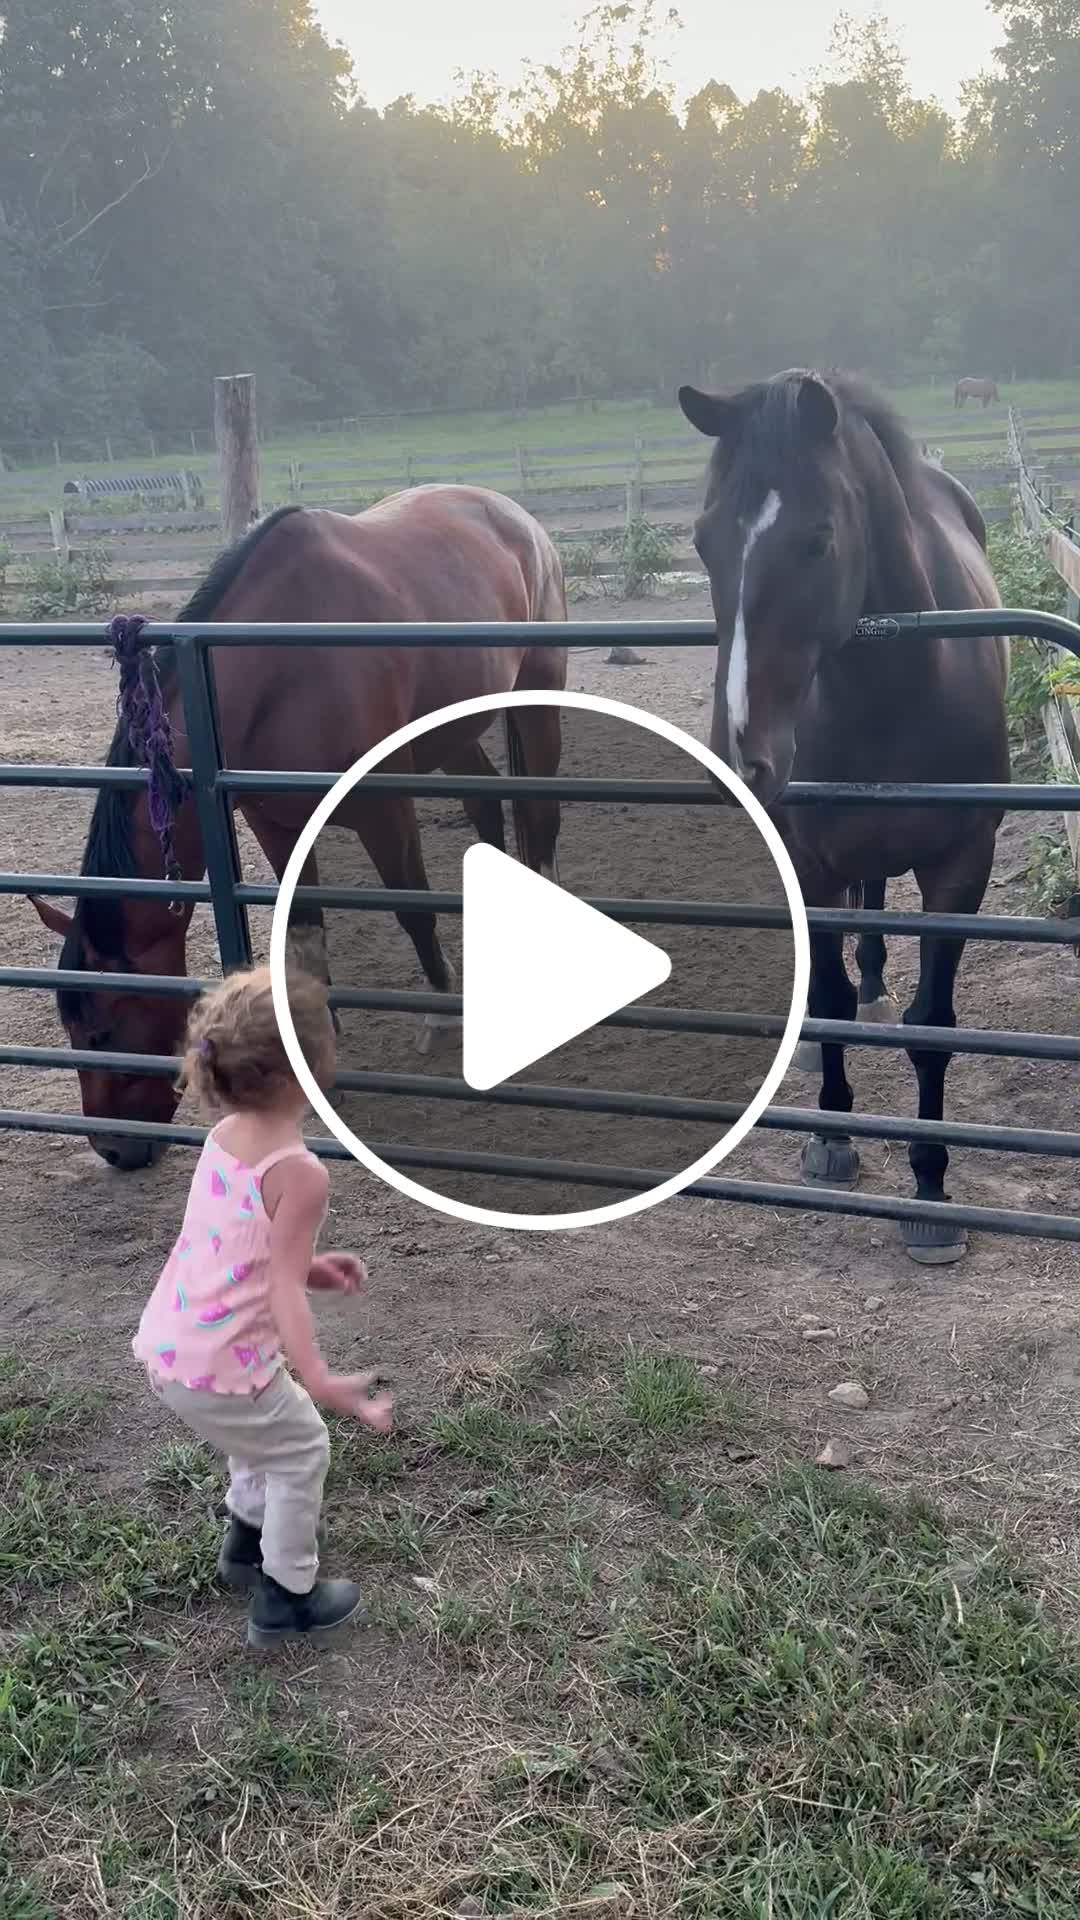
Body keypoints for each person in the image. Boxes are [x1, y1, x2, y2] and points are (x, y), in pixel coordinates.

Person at [133, 964, 393, 1648]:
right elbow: (277, 1292)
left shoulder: (224, 1140)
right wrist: (321, 1378)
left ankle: (245, 1546)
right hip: (227, 1364)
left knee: (257, 1439)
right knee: (300, 1446)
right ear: (309, 1067)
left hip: (173, 1351)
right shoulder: (300, 1172)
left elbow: (239, 1249)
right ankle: (287, 1598)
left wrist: (309, 1267)